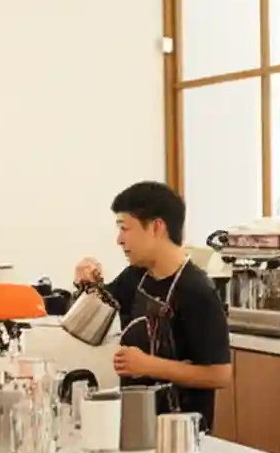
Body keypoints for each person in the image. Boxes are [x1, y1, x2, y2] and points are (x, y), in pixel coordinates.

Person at [74, 181, 231, 431]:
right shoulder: (135, 277)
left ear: (157, 227)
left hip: (184, 435)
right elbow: (89, 322)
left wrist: (149, 365)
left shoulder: (197, 291)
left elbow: (220, 374)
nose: (119, 240)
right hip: (138, 425)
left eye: (125, 228)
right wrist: (86, 283)